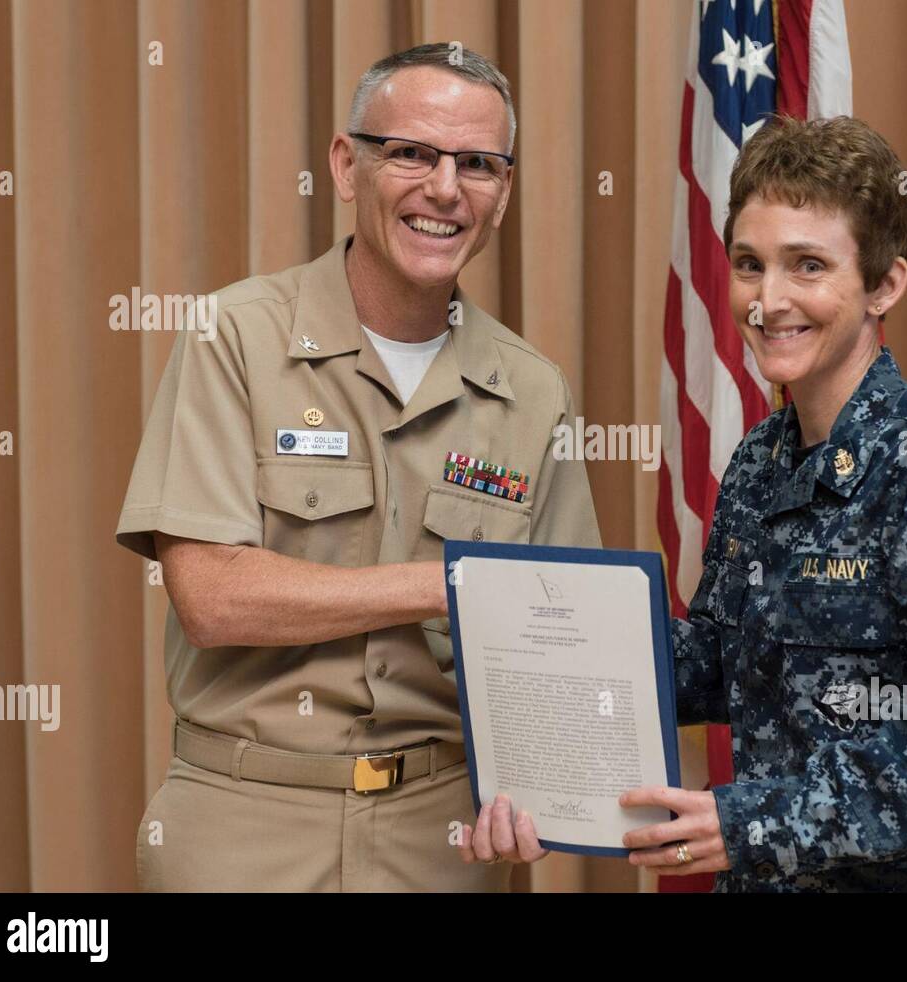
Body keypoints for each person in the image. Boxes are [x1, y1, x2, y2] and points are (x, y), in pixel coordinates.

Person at [464, 115, 907, 893]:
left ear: (885, 284)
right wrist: (533, 665)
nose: (768, 301)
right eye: (749, 264)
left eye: (808, 266)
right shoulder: (761, 461)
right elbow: (717, 661)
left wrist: (748, 824)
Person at [117, 43, 599, 892]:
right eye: (411, 152)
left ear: (504, 192)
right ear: (347, 165)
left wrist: (556, 790)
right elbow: (213, 599)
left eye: (477, 164)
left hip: (442, 840)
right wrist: (458, 581)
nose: (445, 189)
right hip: (244, 820)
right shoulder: (234, 336)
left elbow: (562, 632)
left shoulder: (533, 392)